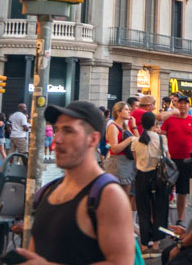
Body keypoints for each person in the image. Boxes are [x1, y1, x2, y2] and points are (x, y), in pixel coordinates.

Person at [12, 102, 134, 265]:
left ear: (93, 139)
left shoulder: (108, 196)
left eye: (68, 131)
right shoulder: (47, 192)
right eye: (57, 130)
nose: (57, 139)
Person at [132, 111, 170, 254]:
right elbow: (167, 157)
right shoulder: (162, 139)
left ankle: (143, 244)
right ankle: (155, 244)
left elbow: (136, 161)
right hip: (158, 177)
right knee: (159, 209)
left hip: (141, 177)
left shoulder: (135, 141)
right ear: (155, 124)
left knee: (143, 210)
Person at [162, 94, 192, 226]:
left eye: (186, 103)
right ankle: (163, 218)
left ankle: (180, 219)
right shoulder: (169, 120)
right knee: (166, 190)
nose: (183, 105)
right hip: (170, 161)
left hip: (186, 161)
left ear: (189, 106)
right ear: (176, 104)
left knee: (182, 191)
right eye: (180, 103)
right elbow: (162, 137)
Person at [104, 101, 137, 199]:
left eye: (129, 110)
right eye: (126, 110)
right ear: (118, 112)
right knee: (119, 194)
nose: (129, 112)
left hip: (127, 162)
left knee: (126, 193)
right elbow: (114, 148)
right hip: (118, 162)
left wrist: (134, 125)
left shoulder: (125, 127)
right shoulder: (113, 127)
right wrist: (129, 139)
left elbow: (138, 140)